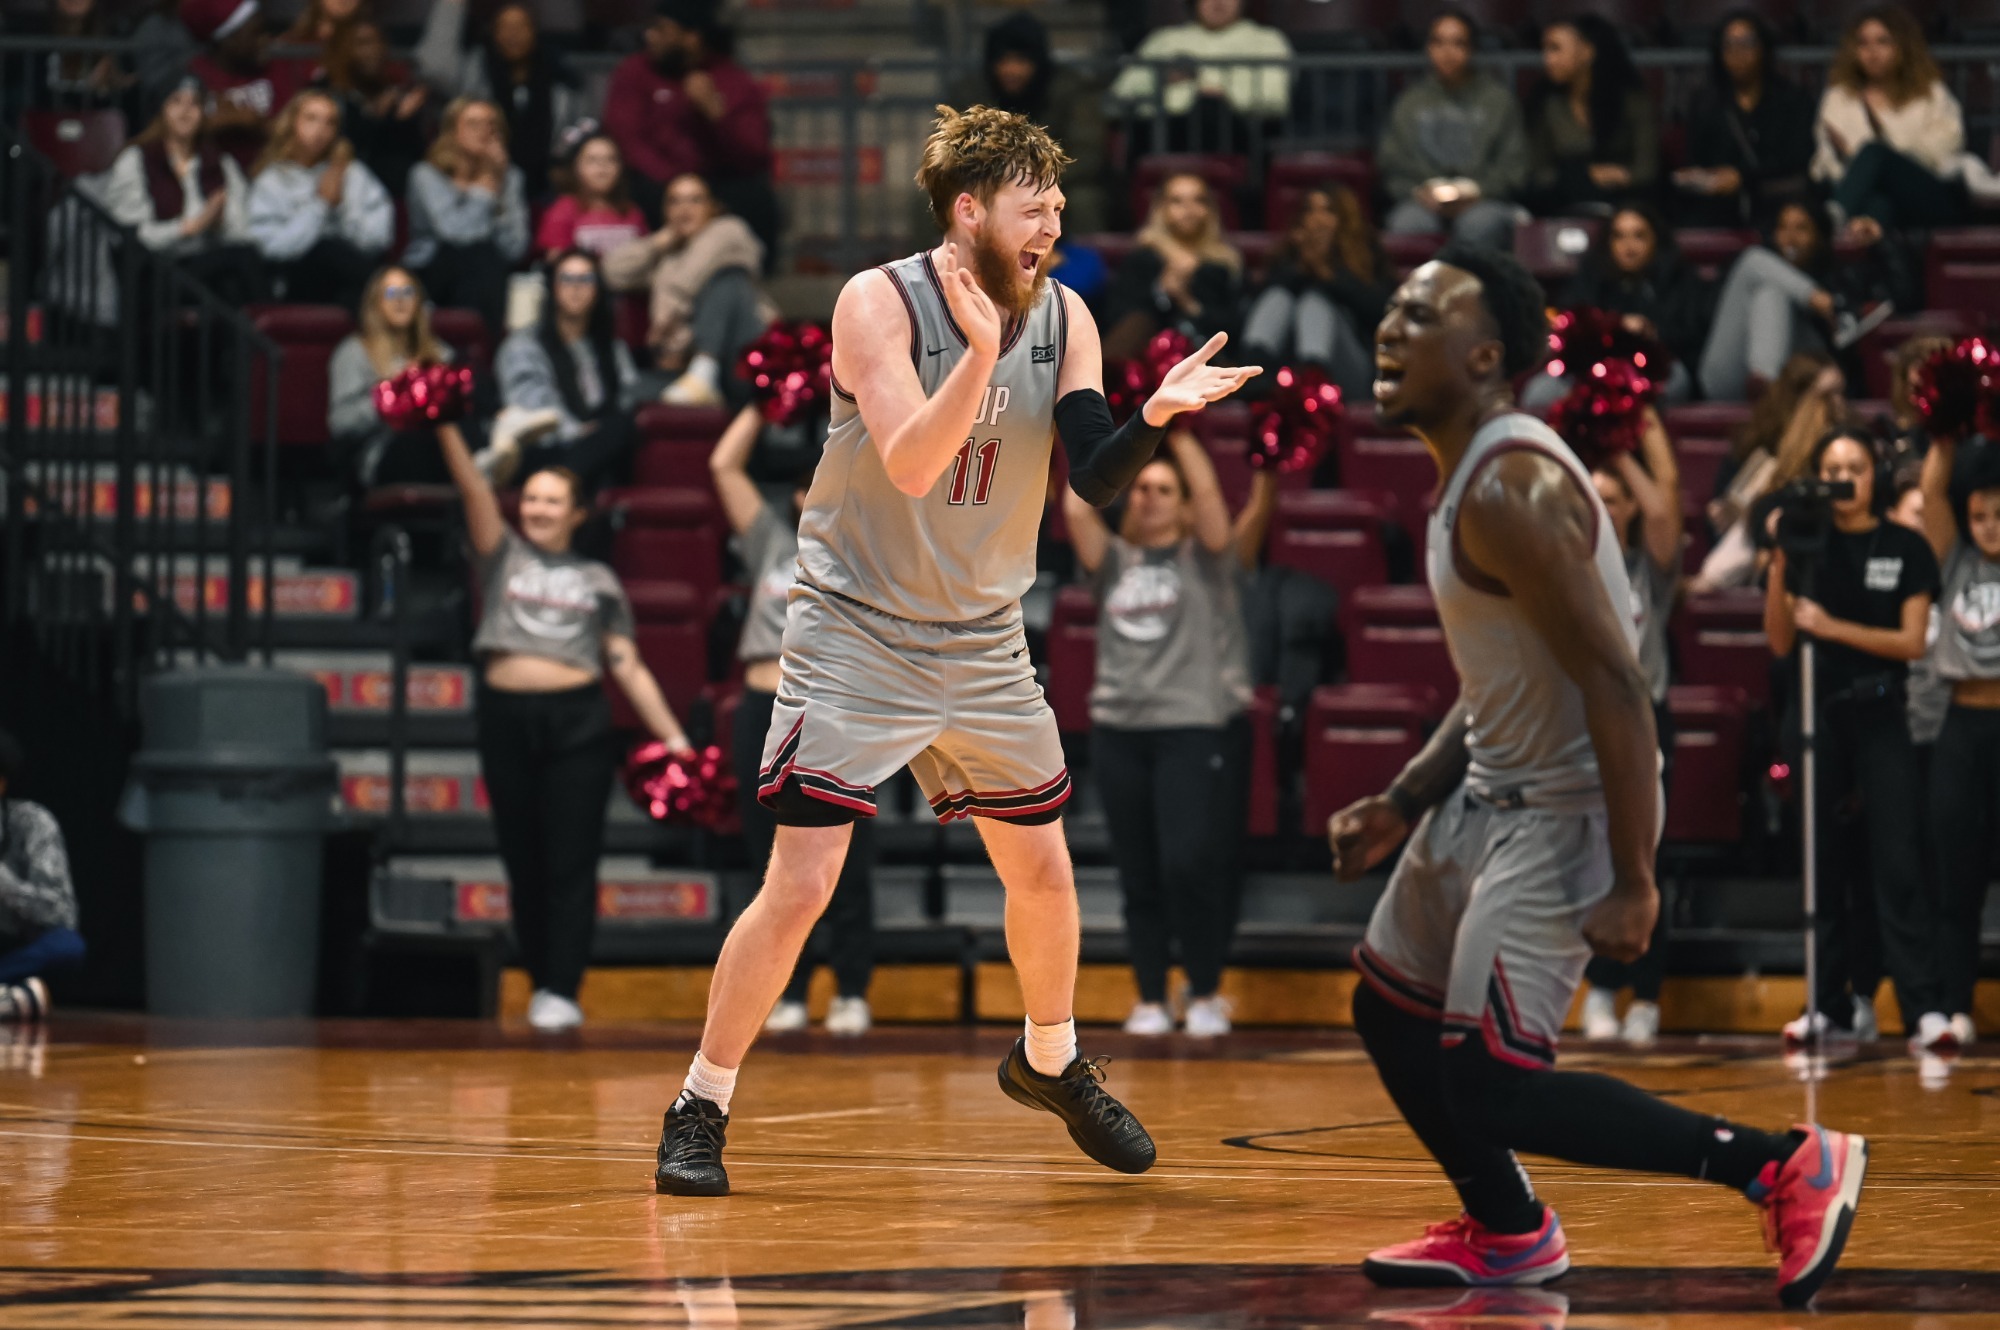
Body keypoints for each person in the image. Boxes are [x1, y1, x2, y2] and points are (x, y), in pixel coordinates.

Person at [652, 105, 1256, 1197]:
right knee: (801, 882)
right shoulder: (874, 301)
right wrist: (978, 353)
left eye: (1061, 206)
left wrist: (1155, 416)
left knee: (1044, 869)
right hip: (857, 627)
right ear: (969, 209)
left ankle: (1050, 1060)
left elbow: (1090, 473)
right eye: (1038, 206)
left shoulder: (1065, 313)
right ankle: (701, 1100)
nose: (1055, 224)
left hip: (980, 632)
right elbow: (915, 461)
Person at [1329, 242, 1866, 1308]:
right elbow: (1499, 687)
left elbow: (1619, 688)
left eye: (1419, 313)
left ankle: (1777, 1164)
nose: (1389, 326)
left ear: (1484, 355)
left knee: (1487, 1080)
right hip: (1486, 790)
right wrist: (1404, 797)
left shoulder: (1511, 487)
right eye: (1389, 307)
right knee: (1389, 1012)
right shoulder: (1469, 474)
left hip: (1561, 810)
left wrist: (1634, 876)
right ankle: (1507, 1231)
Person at [437, 417, 692, 1034]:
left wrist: (674, 739)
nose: (538, 508)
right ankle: (536, 980)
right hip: (505, 718)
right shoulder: (500, 555)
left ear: (577, 513)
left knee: (571, 860)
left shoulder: (599, 581)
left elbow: (626, 664)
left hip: (577, 722)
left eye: (552, 500)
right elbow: (474, 490)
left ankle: (563, 987)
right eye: (530, 498)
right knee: (522, 859)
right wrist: (445, 420)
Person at [1063, 431, 1257, 1038]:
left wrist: (1172, 426)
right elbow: (1074, 505)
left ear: (1182, 502)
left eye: (1163, 488)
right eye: (1141, 486)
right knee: (1137, 871)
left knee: (1187, 864)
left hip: (1189, 730)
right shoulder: (1113, 561)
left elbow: (1212, 501)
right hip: (1121, 730)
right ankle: (1149, 995)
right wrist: (1119, 445)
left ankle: (1202, 989)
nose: (1149, 496)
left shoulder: (1207, 557)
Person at [1763, 426, 1945, 1050]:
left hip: (1880, 711)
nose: (1845, 478)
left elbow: (1912, 642)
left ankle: (1922, 1008)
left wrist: (1833, 626)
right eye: (1833, 467)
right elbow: (1782, 641)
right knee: (1822, 864)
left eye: (1856, 467)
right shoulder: (1809, 544)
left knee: (1897, 860)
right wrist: (1781, 559)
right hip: (1814, 717)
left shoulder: (1906, 546)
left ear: (1874, 476)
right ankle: (1826, 1004)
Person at [709, 405, 877, 1035]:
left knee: (845, 854)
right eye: (811, 486)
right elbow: (722, 465)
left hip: (837, 709)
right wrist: (763, 399)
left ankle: (853, 986)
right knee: (770, 856)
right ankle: (791, 989)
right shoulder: (772, 543)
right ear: (800, 495)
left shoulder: (872, 551)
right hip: (761, 706)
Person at [1578, 409, 1682, 1047]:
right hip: (1587, 722)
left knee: (1646, 856)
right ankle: (1597, 989)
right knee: (1592, 856)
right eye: (1596, 500)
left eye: (1615, 500)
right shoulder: (1570, 569)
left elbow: (1665, 508)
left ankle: (1646, 994)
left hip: (1646, 720)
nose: (1607, 508)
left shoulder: (1650, 566)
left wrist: (1624, 436)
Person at [1917, 430, 2000, 1050]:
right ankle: (1954, 1007)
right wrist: (1944, 426)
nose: (1990, 526)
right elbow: (1931, 491)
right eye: (1980, 515)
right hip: (1961, 728)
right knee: (1957, 876)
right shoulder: (1952, 561)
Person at [603, 0, 778, 262]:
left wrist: (717, 114)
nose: (650, 36)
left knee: (756, 199)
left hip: (716, 183)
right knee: (641, 193)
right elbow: (627, 140)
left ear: (692, 37)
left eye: (661, 29)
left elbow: (754, 153)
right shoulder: (635, 72)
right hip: (658, 182)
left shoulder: (730, 79)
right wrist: (674, 182)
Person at [1696, 199, 1915, 403]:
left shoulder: (1839, 275)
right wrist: (1822, 302)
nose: (1790, 238)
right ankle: (1834, 310)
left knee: (1773, 293)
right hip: (1729, 375)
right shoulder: (1754, 268)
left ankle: (1766, 387)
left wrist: (1881, 242)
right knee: (1759, 272)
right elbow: (1705, 316)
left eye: (1801, 229)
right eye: (1783, 228)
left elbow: (1903, 296)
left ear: (1819, 237)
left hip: (1801, 378)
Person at [603, 173, 774, 404]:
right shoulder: (666, 257)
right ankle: (702, 376)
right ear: (665, 209)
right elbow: (610, 272)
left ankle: (705, 365)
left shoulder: (729, 231)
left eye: (695, 200)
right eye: (675, 201)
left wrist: (669, 322)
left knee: (729, 280)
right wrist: (659, 241)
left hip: (741, 358)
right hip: (681, 367)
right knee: (624, 397)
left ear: (712, 207)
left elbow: (690, 275)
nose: (685, 209)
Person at [101, 76, 265, 306]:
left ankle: (254, 336)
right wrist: (188, 228)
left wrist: (220, 223)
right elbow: (130, 236)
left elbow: (241, 231)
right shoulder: (137, 160)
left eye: (194, 104)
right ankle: (268, 338)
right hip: (155, 269)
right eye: (176, 102)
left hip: (206, 265)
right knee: (239, 263)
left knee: (236, 276)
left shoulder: (220, 163)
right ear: (160, 110)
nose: (185, 111)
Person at [1525, 203, 1707, 409]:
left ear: (1656, 240)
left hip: (1656, 367)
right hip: (1592, 367)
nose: (1628, 246)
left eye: (1639, 236)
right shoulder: (1591, 275)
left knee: (1675, 383)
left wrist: (1651, 333)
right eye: (1619, 236)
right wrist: (1615, 326)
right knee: (1539, 393)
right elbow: (1571, 323)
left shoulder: (1679, 279)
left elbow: (1690, 334)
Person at [1694, 355, 1848, 592]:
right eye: (1827, 396)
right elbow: (1730, 512)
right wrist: (1724, 512)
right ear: (1798, 397)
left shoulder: (1848, 443)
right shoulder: (1757, 446)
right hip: (1754, 548)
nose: (1838, 403)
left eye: (1841, 392)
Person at [1378, 9, 1529, 251]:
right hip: (1421, 200)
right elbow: (1392, 166)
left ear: (1472, 49)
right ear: (1428, 48)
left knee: (1478, 225)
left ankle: (1474, 290)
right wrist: (1418, 192)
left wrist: (1478, 192)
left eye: (1458, 43)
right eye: (1439, 42)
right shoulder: (1410, 102)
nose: (1447, 53)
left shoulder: (1498, 101)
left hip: (1485, 201)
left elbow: (1514, 168)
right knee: (1406, 223)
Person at [491, 250, 642, 491]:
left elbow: (629, 399)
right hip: (545, 447)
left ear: (597, 290)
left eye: (585, 280)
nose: (576, 288)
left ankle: (570, 492)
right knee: (612, 436)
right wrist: (576, 431)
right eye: (567, 279)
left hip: (600, 447)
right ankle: (561, 488)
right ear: (553, 288)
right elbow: (533, 410)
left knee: (621, 429)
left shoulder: (612, 348)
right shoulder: (523, 344)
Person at [947, 14, 1108, 236]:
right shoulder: (970, 91)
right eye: (1003, 61)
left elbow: (1086, 154)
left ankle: (1086, 269)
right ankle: (932, 268)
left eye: (1021, 61)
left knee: (1084, 201)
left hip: (1056, 183)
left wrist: (1033, 183)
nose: (1011, 70)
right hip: (988, 184)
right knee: (927, 201)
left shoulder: (1072, 89)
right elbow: (952, 150)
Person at [1812, 7, 1970, 233]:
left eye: (1882, 42)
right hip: (1865, 196)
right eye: (1863, 44)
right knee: (1879, 200)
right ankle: (1867, 228)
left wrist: (1879, 157)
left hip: (1926, 194)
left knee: (1875, 153)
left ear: (1902, 46)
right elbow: (1825, 159)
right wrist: (1862, 172)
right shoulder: (1838, 98)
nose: (1872, 52)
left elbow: (1944, 149)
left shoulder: (1931, 94)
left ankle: (1834, 217)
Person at [1239, 183, 1390, 404]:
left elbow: (1380, 314)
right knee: (1278, 297)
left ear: (1344, 218)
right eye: (1310, 210)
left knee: (1315, 302)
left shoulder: (1368, 255)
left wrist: (1325, 272)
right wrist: (1301, 264)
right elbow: (1255, 304)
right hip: (1283, 367)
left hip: (1350, 371)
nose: (1317, 219)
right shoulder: (1286, 257)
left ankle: (1313, 379)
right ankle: (1252, 373)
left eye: (1327, 210)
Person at [329, 265, 477, 486]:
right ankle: (480, 468)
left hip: (444, 444)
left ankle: (484, 461)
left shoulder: (440, 352)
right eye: (391, 293)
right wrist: (394, 396)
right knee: (422, 438)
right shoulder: (355, 351)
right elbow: (340, 422)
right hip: (386, 451)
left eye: (408, 292)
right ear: (375, 302)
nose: (400, 300)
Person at [415, 0, 577, 203]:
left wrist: (562, 163)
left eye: (521, 26)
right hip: (479, 181)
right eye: (505, 27)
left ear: (535, 32)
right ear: (492, 33)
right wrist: (452, 4)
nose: (513, 34)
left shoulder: (559, 82)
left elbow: (579, 128)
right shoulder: (474, 75)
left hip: (546, 188)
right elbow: (434, 67)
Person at [246, 89, 392, 310]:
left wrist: (342, 207)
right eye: (311, 119)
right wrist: (320, 206)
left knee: (351, 293)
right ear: (292, 123)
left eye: (330, 123)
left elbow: (379, 238)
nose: (320, 130)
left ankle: (392, 299)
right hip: (295, 280)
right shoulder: (272, 180)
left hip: (352, 276)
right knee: (326, 248)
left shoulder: (352, 173)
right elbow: (270, 248)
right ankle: (397, 296)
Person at [1672, 10, 1815, 230]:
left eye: (1747, 43)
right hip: (1717, 205)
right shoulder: (1705, 103)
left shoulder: (1793, 99)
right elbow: (1695, 158)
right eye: (1729, 44)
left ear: (1763, 48)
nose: (1738, 52)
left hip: (1777, 201)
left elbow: (1798, 158)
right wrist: (1700, 178)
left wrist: (1742, 178)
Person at [405, 96, 530, 338]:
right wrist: (487, 188)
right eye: (474, 124)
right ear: (452, 131)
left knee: (484, 257)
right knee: (476, 254)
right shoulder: (426, 174)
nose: (484, 132)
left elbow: (515, 248)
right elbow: (453, 232)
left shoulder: (511, 178)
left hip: (486, 273)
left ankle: (475, 353)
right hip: (432, 270)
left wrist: (500, 191)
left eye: (491, 125)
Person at [1109, 0, 1291, 158]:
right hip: (1167, 132)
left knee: (1211, 107)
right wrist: (1160, 80)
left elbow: (1276, 100)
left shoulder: (1267, 41)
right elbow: (1119, 97)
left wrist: (1214, 89)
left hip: (1238, 134)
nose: (1218, 2)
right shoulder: (1164, 40)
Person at [1100, 172, 1243, 362]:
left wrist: (1187, 302)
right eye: (1177, 201)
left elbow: (1237, 326)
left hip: (1206, 355)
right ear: (1161, 209)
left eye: (1198, 200)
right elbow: (1118, 316)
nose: (1188, 209)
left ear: (1209, 209)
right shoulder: (1143, 257)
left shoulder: (1225, 263)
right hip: (1144, 357)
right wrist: (1161, 291)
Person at [1523, 16, 1657, 217]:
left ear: (1587, 51)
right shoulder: (1545, 102)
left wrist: (1619, 175)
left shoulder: (1631, 101)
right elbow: (1538, 171)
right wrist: (1582, 176)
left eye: (1555, 48)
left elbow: (1647, 168)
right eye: (1545, 49)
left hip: (1625, 202)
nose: (1547, 59)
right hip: (1562, 201)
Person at [0, 732, 86, 1026]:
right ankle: (14, 1000)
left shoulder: (32, 822)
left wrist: (6, 885)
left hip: (16, 949)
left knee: (66, 946)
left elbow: (62, 913)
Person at [180, 0, 305, 168]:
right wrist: (215, 122)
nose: (265, 40)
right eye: (256, 34)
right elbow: (164, 134)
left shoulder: (281, 67)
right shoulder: (195, 75)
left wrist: (257, 123)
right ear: (228, 40)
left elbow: (304, 133)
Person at [319, 19, 428, 194]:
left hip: (388, 197)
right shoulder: (324, 94)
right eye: (363, 43)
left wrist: (402, 122)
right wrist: (375, 117)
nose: (375, 50)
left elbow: (410, 163)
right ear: (343, 50)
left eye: (380, 42)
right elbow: (341, 150)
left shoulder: (397, 97)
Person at [537, 130, 648, 261]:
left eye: (611, 159)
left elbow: (645, 258)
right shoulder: (563, 210)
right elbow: (556, 263)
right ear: (576, 167)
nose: (602, 167)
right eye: (592, 160)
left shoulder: (632, 212)